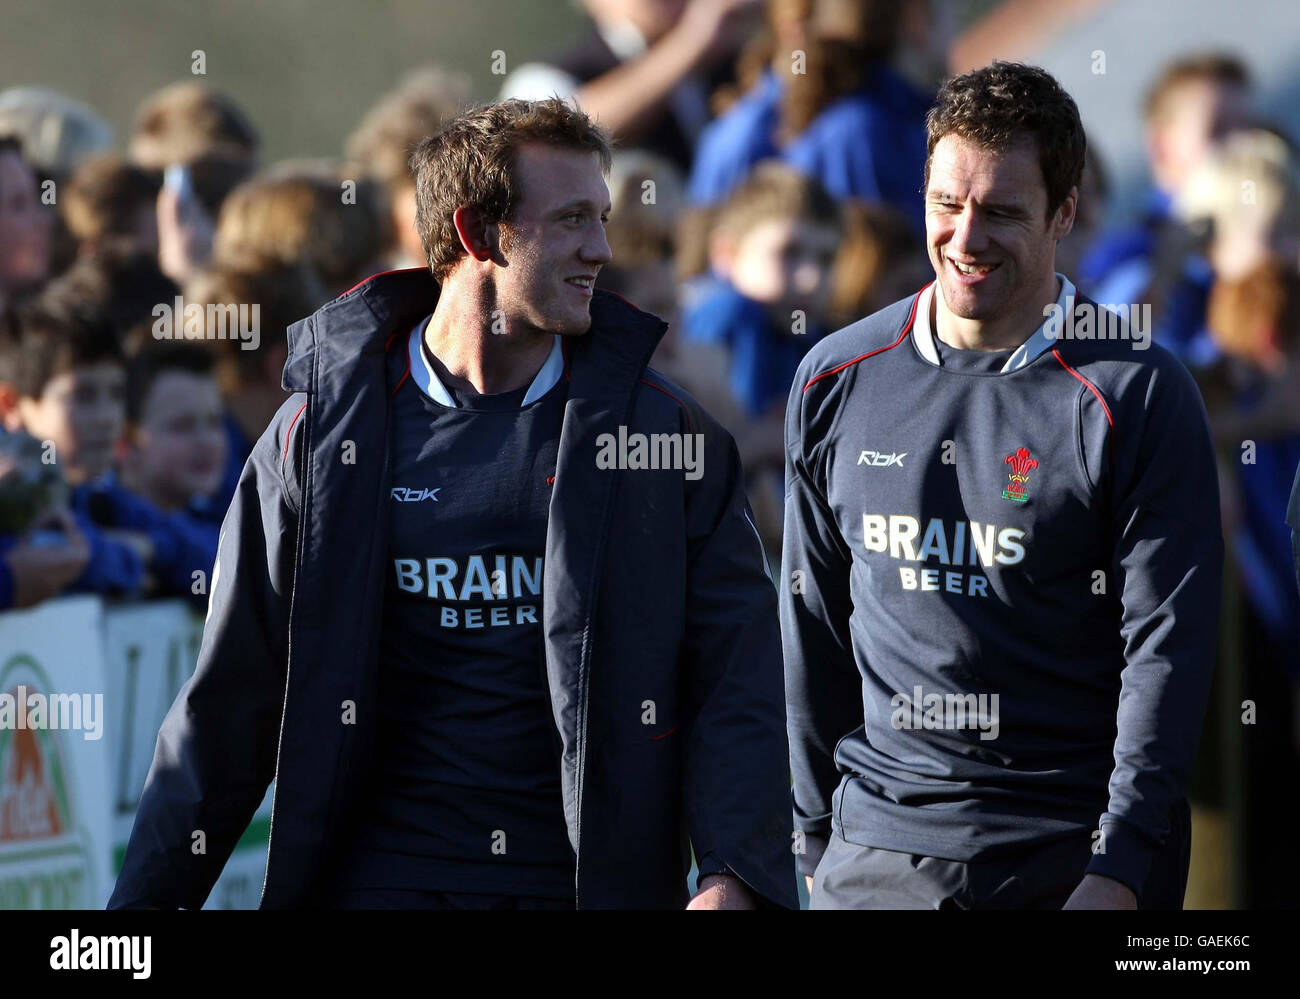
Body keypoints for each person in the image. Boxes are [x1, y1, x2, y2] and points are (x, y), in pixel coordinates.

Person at [109, 97, 796, 911]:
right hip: (374, 887)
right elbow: (230, 702)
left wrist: (734, 874)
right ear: (478, 234)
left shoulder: (664, 435)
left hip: (581, 890)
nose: (602, 248)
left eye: (603, 217)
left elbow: (736, 681)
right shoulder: (320, 437)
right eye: (573, 218)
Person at [781, 62, 1223, 910]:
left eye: (1003, 212)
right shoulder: (835, 377)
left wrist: (1120, 864)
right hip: (875, 855)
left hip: (1067, 859)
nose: (966, 235)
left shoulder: (1136, 394)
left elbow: (1167, 654)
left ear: (1065, 213)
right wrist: (813, 837)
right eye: (946, 203)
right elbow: (810, 632)